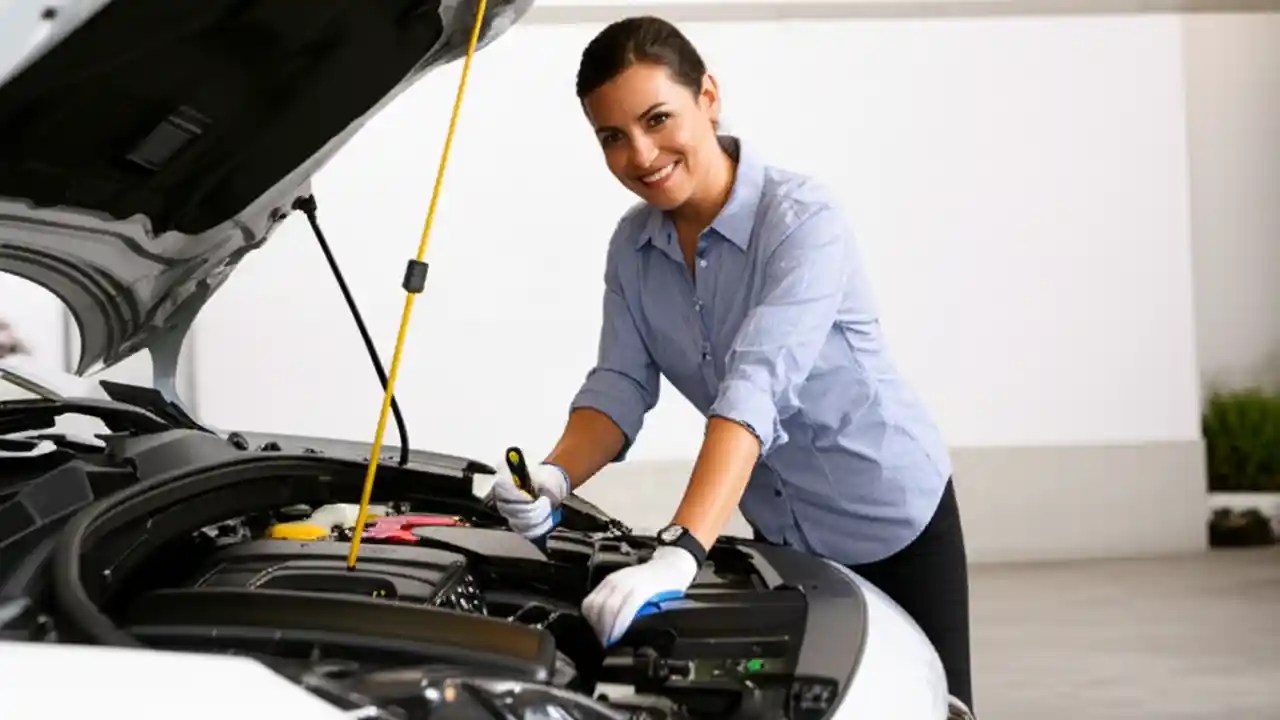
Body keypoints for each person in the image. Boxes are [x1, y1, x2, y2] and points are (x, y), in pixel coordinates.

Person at [491, 15, 974, 711]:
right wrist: (555, 474)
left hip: (890, 517)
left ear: (708, 96)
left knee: (936, 709)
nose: (642, 153)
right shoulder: (633, 246)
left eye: (658, 119)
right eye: (613, 137)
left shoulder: (804, 220)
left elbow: (755, 387)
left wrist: (680, 550)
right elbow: (620, 385)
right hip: (785, 538)